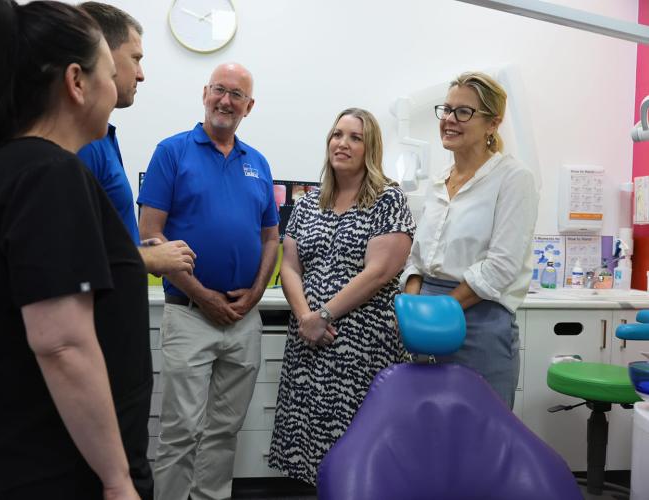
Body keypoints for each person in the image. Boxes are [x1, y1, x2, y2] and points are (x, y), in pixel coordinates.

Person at [0, 1, 195, 499]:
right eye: (111, 71)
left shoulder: (14, 168)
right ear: (76, 82)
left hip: (33, 461)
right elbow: (61, 345)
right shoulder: (49, 175)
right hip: (62, 471)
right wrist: (116, 480)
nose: (123, 83)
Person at [137, 62, 280, 500]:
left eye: (237, 94)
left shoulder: (257, 162)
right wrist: (203, 296)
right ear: (205, 93)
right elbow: (149, 234)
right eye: (220, 90)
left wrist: (254, 294)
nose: (226, 100)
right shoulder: (172, 152)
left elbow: (271, 236)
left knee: (224, 431)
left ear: (249, 106)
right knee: (180, 431)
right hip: (189, 314)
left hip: (242, 321)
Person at [267, 108, 416, 485]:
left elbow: (380, 271)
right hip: (309, 344)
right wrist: (306, 318)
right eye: (337, 135)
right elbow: (290, 267)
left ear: (371, 148)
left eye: (354, 137)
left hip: (361, 348)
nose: (342, 143)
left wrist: (325, 316)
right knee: (313, 452)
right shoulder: (307, 204)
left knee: (363, 453)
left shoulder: (388, 200)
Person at [400, 71, 539, 409]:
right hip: (426, 319)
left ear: (493, 123)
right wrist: (411, 310)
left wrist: (438, 312)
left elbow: (500, 267)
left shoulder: (513, 179)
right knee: (430, 430)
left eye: (463, 112)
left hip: (479, 320)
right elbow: (418, 258)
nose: (449, 119)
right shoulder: (438, 181)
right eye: (446, 109)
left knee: (481, 438)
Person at [77, 2, 144, 244]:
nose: (141, 74)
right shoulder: (80, 141)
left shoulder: (102, 136)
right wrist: (145, 259)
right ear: (103, 55)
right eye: (135, 59)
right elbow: (74, 252)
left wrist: (139, 248)